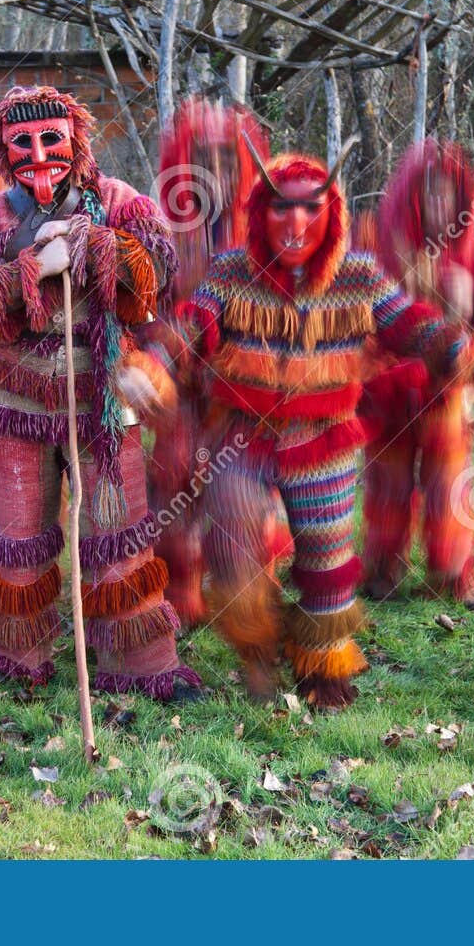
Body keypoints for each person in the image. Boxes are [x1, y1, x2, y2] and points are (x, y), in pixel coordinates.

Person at [0, 85, 201, 701]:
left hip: (105, 408)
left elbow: (161, 270)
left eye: (50, 138)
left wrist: (96, 246)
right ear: (3, 152)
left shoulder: (117, 202)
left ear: (76, 139)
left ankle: (139, 663)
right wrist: (32, 265)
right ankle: (15, 658)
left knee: (119, 537)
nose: (37, 153)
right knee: (18, 538)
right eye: (21, 144)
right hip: (18, 409)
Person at [185, 152, 464, 706]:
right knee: (235, 545)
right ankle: (256, 655)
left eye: (310, 210)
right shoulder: (230, 272)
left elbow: (407, 323)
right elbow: (198, 319)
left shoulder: (357, 276)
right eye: (281, 210)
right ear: (260, 212)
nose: (295, 226)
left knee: (326, 560)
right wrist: (166, 350)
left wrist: (451, 344)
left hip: (324, 439)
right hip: (243, 438)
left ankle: (322, 668)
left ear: (331, 213)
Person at [358, 141, 474, 610]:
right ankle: (383, 566)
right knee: (388, 483)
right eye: (429, 194)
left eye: (449, 196)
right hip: (388, 395)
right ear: (410, 195)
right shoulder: (379, 242)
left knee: (449, 478)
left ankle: (452, 569)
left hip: (445, 391)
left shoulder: (470, 252)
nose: (439, 205)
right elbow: (355, 312)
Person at [139, 98, 269, 627]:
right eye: (204, 160)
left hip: (239, 397)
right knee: (172, 488)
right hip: (181, 392)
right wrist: (161, 349)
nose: (215, 173)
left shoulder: (259, 235)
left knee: (242, 507)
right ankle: (176, 594)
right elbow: (144, 311)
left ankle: (246, 607)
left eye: (226, 161)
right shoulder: (165, 237)